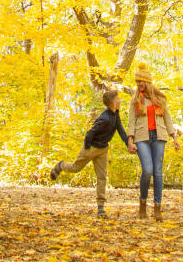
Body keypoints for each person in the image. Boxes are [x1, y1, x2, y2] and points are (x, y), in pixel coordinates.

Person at [50, 89, 130, 217]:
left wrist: (128, 143)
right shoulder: (104, 118)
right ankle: (61, 165)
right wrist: (87, 148)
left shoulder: (116, 113)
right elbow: (90, 133)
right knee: (76, 168)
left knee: (102, 177)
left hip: (103, 149)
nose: (120, 100)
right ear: (113, 103)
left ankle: (100, 207)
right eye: (118, 99)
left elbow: (120, 129)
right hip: (91, 147)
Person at [126, 63, 180, 221]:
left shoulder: (160, 98)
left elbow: (168, 119)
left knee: (157, 172)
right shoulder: (135, 99)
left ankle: (157, 207)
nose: (139, 84)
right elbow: (131, 121)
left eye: (141, 81)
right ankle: (142, 202)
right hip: (142, 137)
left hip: (159, 136)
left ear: (148, 82)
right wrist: (130, 140)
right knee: (147, 170)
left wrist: (174, 137)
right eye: (137, 82)